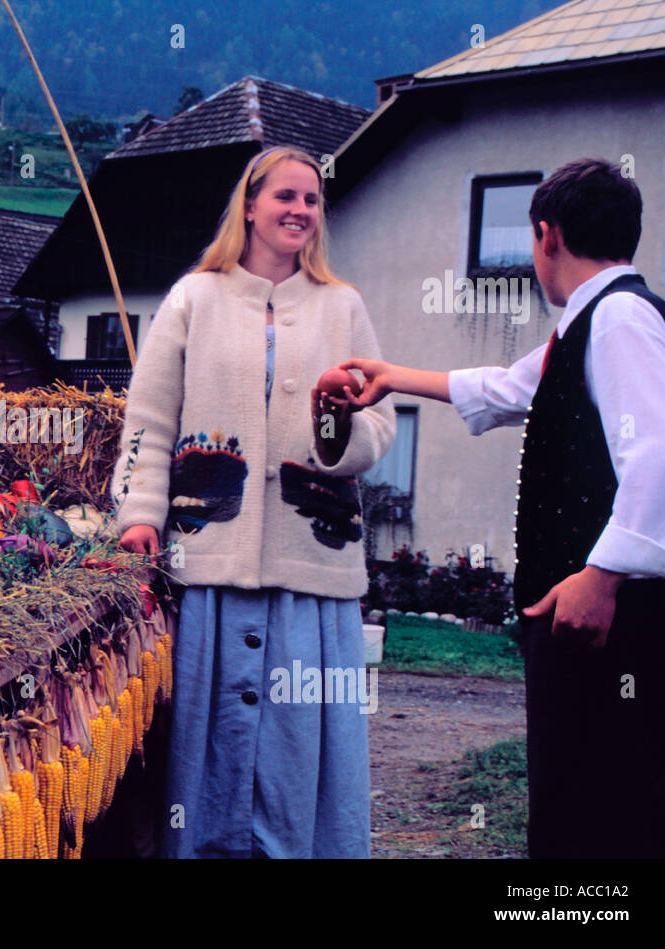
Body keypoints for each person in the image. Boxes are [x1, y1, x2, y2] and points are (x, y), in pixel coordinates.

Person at [343, 157, 665, 858]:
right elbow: (506, 388)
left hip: (613, 618)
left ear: (546, 236)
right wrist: (391, 376)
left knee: (612, 804)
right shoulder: (590, 323)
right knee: (574, 799)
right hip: (581, 618)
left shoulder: (618, 319)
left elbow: (662, 452)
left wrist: (603, 574)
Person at [110, 145, 397, 858]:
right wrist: (140, 517)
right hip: (212, 567)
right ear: (249, 205)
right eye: (285, 197)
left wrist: (336, 424)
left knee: (300, 750)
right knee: (207, 752)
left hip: (312, 572)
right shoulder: (194, 297)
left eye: (312, 200)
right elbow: (149, 421)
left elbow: (376, 429)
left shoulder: (344, 306)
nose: (300, 210)